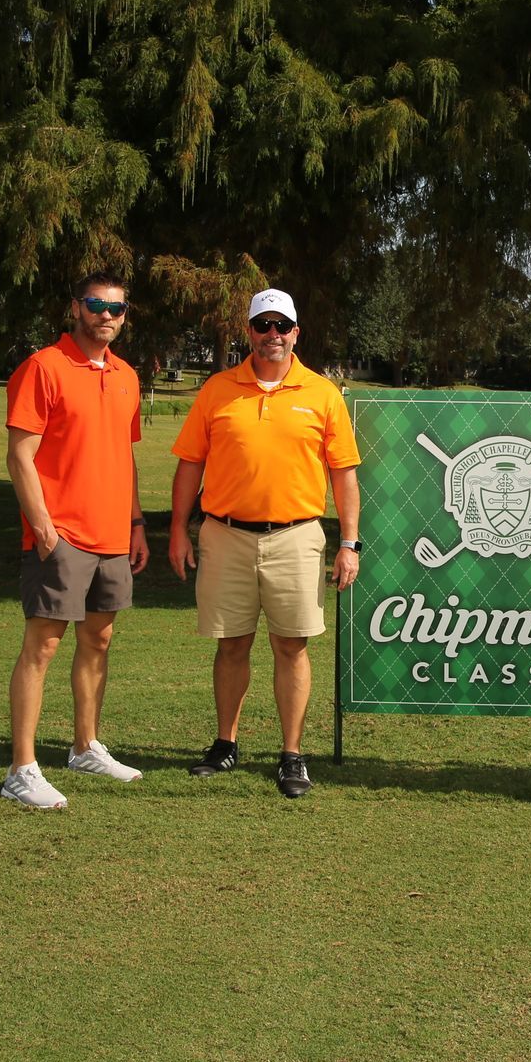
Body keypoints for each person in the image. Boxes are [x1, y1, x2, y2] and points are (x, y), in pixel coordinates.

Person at [167, 288, 361, 798]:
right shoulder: (216, 390)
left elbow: (343, 475)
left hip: (297, 537)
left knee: (291, 646)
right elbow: (190, 465)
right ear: (249, 332)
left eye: (281, 326)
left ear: (296, 332)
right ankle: (225, 744)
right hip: (225, 534)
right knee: (231, 645)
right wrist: (176, 531)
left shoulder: (322, 393)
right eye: (262, 325)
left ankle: (292, 755)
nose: (271, 335)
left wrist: (350, 543)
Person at [1, 272, 151, 809]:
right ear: (76, 308)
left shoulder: (128, 376)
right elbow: (21, 454)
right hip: (60, 534)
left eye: (116, 308)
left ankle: (85, 746)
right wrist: (43, 528)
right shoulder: (44, 367)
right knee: (42, 645)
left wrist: (135, 524)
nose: (106, 315)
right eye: (95, 304)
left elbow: (124, 457)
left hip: (112, 534)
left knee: (99, 640)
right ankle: (21, 769)